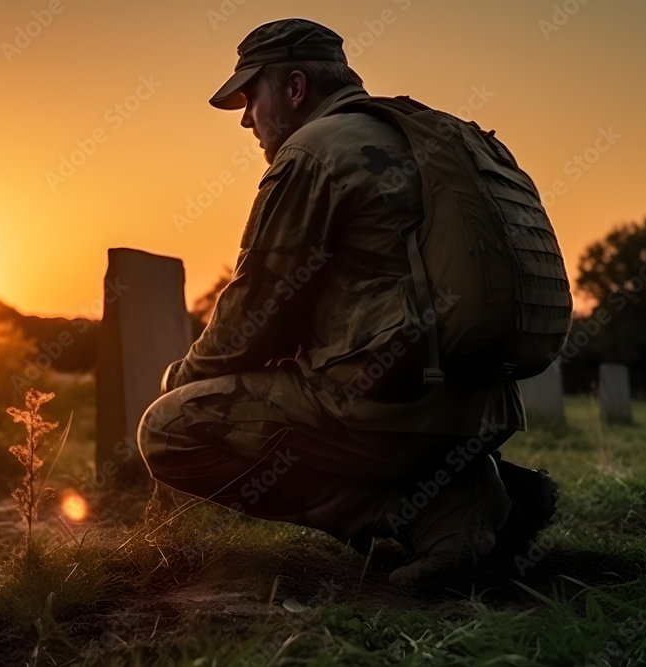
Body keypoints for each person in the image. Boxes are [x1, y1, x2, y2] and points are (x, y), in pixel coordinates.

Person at [137, 17, 558, 588]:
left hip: (392, 408)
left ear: (293, 87)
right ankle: (475, 487)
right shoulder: (427, 133)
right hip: (486, 406)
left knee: (170, 429)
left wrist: (181, 378)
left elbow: (255, 316)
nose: (244, 118)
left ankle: (431, 513)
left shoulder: (311, 151)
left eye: (250, 95)